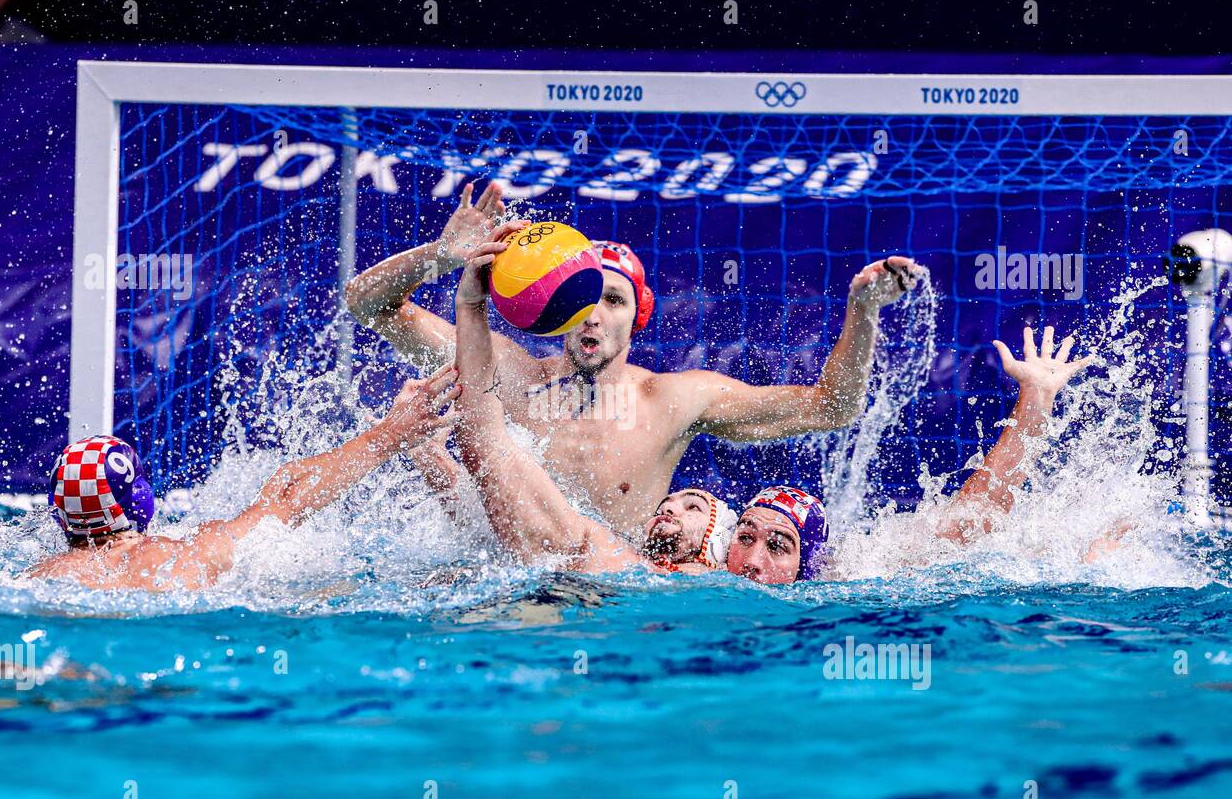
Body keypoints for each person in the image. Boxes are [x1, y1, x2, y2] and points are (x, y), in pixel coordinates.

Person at [448, 225, 1094, 584]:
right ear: (719, 545)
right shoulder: (640, 566)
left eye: (777, 546)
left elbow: (964, 524)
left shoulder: (829, 585)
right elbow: (492, 462)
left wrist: (1034, 405)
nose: (754, 558)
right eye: (751, 538)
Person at [345, 181, 927, 537]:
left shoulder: (674, 400)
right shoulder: (503, 367)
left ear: (637, 316)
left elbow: (833, 406)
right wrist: (440, 255)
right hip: (497, 590)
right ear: (553, 308)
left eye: (613, 299)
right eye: (583, 296)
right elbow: (368, 305)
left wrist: (863, 307)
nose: (594, 313)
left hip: (612, 604)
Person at [28, 366, 460, 590]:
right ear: (138, 497)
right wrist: (389, 434)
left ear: (60, 514)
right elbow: (288, 493)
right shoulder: (193, 553)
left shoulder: (43, 578)